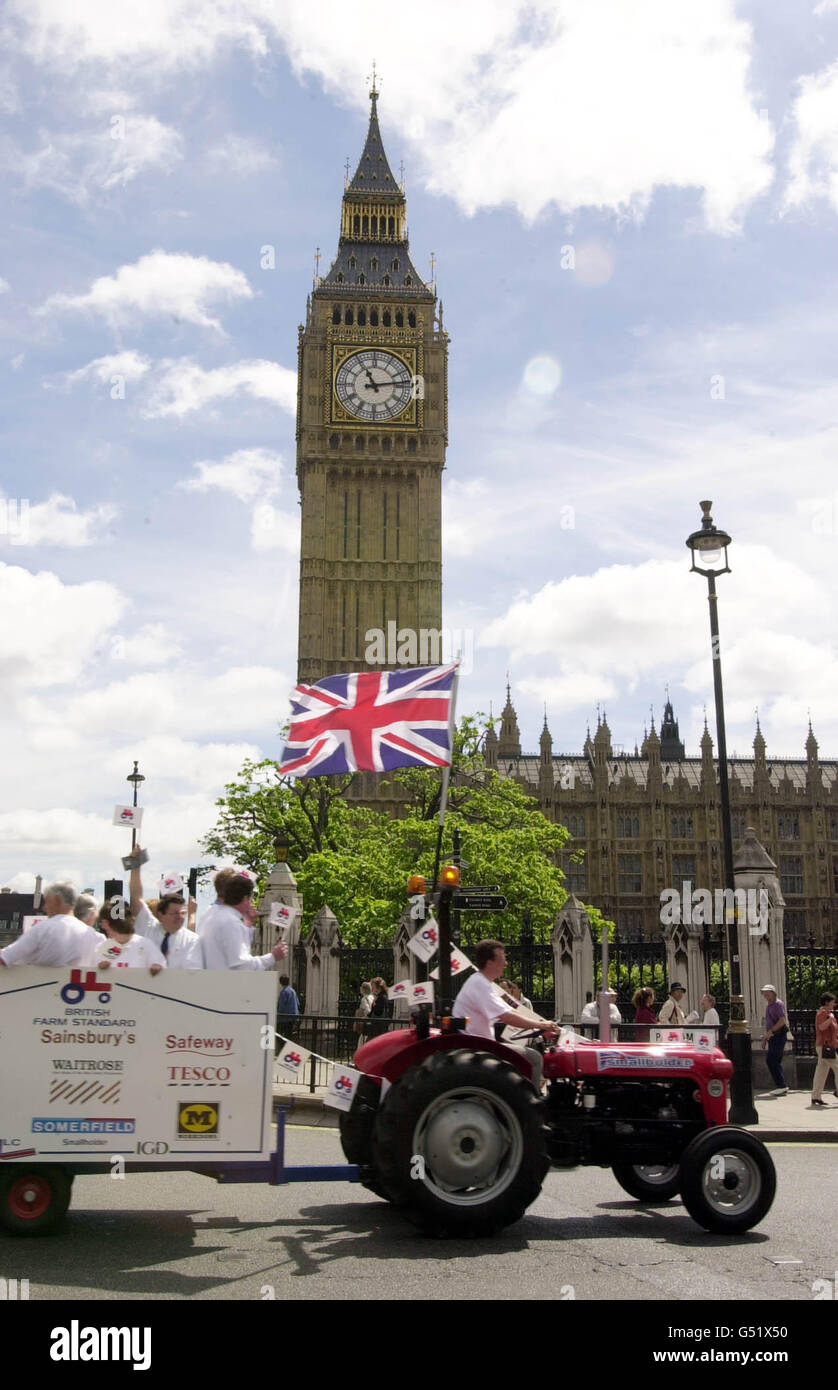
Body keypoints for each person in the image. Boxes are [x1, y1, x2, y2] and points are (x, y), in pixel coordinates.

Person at [454, 940, 557, 1090]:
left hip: (481, 1045)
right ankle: (532, 1104)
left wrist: (541, 1024)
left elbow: (512, 1011)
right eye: (502, 959)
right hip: (480, 1049)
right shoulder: (480, 984)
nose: (506, 964)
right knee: (534, 1058)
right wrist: (541, 1025)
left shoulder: (483, 983)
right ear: (490, 963)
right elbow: (507, 1016)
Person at [128, 851, 203, 969]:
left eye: (183, 913)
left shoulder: (192, 941)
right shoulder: (148, 926)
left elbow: (193, 974)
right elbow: (135, 897)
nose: (180, 917)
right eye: (174, 913)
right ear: (161, 915)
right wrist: (135, 867)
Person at [0, 882, 101, 967]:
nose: (44, 908)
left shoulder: (43, 929)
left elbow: (5, 957)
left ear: (57, 900)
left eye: (47, 902)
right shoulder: (95, 937)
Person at [200, 874, 288, 970]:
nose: (252, 902)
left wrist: (248, 924)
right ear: (245, 899)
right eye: (251, 898)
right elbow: (242, 965)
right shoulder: (232, 922)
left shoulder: (211, 915)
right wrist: (273, 957)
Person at [90, 902, 166, 974]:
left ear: (116, 922)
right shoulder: (103, 947)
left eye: (105, 922)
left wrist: (158, 967)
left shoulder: (145, 944)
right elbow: (91, 973)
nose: (102, 926)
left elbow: (163, 968)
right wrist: (99, 968)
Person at [760, 984, 790, 1096]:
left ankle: (781, 1085)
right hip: (774, 1036)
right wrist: (766, 1038)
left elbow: (782, 1021)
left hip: (778, 1035)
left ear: (773, 992)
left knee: (771, 1060)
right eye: (764, 992)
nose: (765, 994)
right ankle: (781, 1085)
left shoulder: (777, 1004)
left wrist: (770, 1032)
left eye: (767, 992)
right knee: (774, 1060)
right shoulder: (769, 1005)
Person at [811, 993, 838, 1107]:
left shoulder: (828, 1013)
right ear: (827, 1002)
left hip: (826, 1046)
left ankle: (816, 1096)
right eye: (832, 1002)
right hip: (825, 1046)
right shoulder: (823, 1013)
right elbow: (821, 1027)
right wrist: (830, 1019)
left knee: (821, 1071)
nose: (834, 1004)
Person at [276, 974, 300, 1039]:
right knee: (289, 1038)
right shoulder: (293, 991)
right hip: (293, 1018)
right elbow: (298, 1003)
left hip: (284, 1019)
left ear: (281, 982)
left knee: (281, 1038)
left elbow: (281, 1007)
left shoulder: (284, 992)